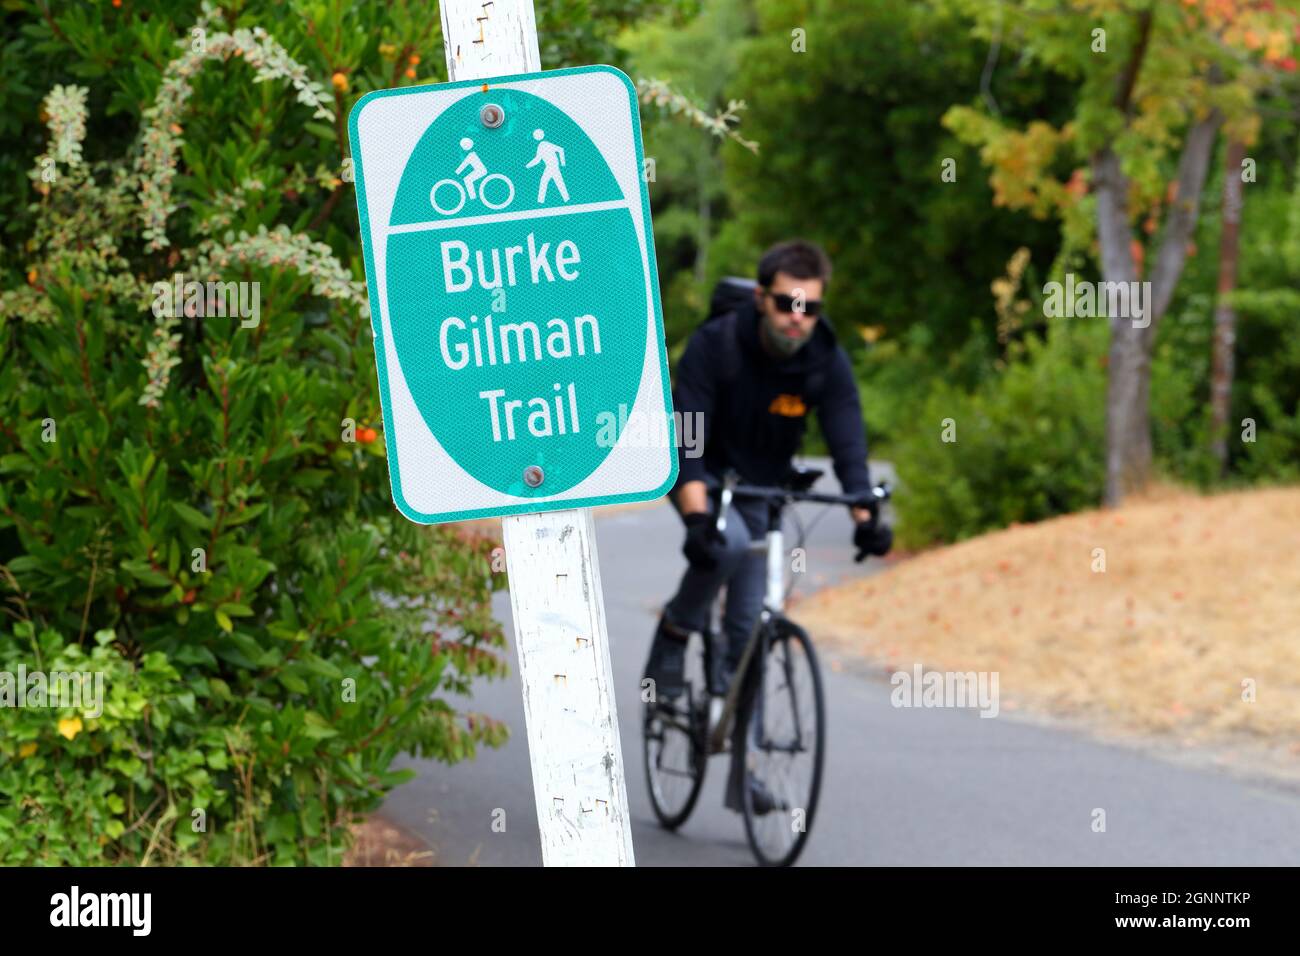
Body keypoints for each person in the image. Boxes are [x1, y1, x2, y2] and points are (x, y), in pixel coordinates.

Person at [643, 239, 893, 814]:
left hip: (763, 486)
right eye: (786, 304)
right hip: (702, 474)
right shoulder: (717, 345)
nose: (797, 319)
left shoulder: (824, 357)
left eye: (811, 308)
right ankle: (675, 635)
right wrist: (698, 516)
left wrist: (863, 514)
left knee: (749, 629)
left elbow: (847, 435)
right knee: (724, 542)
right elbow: (689, 438)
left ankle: (745, 773)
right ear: (762, 298)